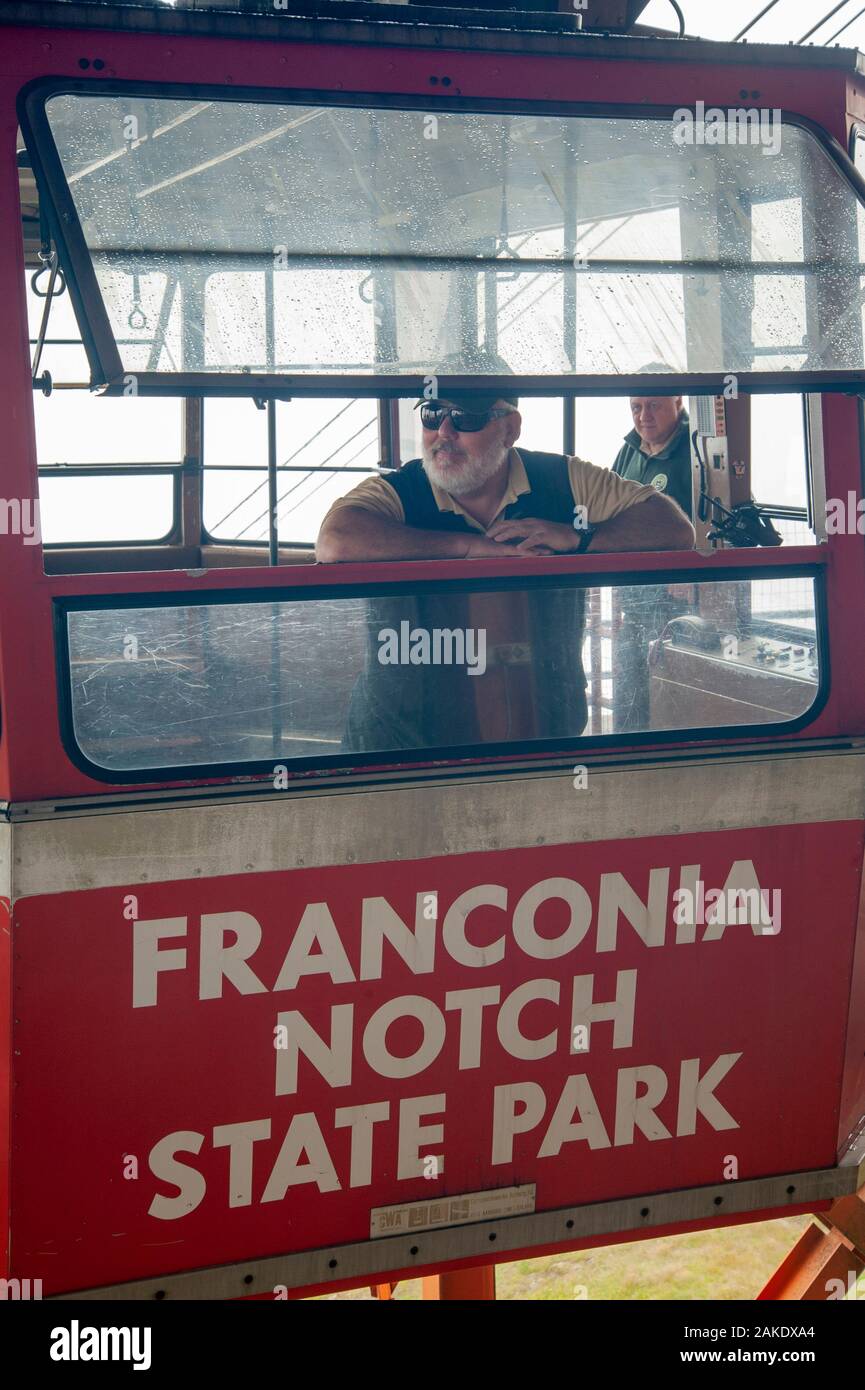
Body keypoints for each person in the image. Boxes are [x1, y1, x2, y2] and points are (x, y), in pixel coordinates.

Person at [316, 382, 694, 752]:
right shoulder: (397, 492)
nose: (444, 432)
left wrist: (578, 537)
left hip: (542, 728)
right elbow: (335, 540)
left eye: (466, 418)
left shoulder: (567, 480)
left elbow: (674, 528)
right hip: (401, 740)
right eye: (432, 415)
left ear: (510, 428)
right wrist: (469, 548)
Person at [610, 371, 693, 733]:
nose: (644, 415)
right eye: (636, 407)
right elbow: (606, 510)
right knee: (629, 689)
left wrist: (689, 575)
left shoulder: (695, 449)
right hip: (633, 597)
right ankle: (625, 758)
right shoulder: (627, 452)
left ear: (678, 401)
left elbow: (706, 516)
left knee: (671, 692)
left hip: (677, 600)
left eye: (654, 405)